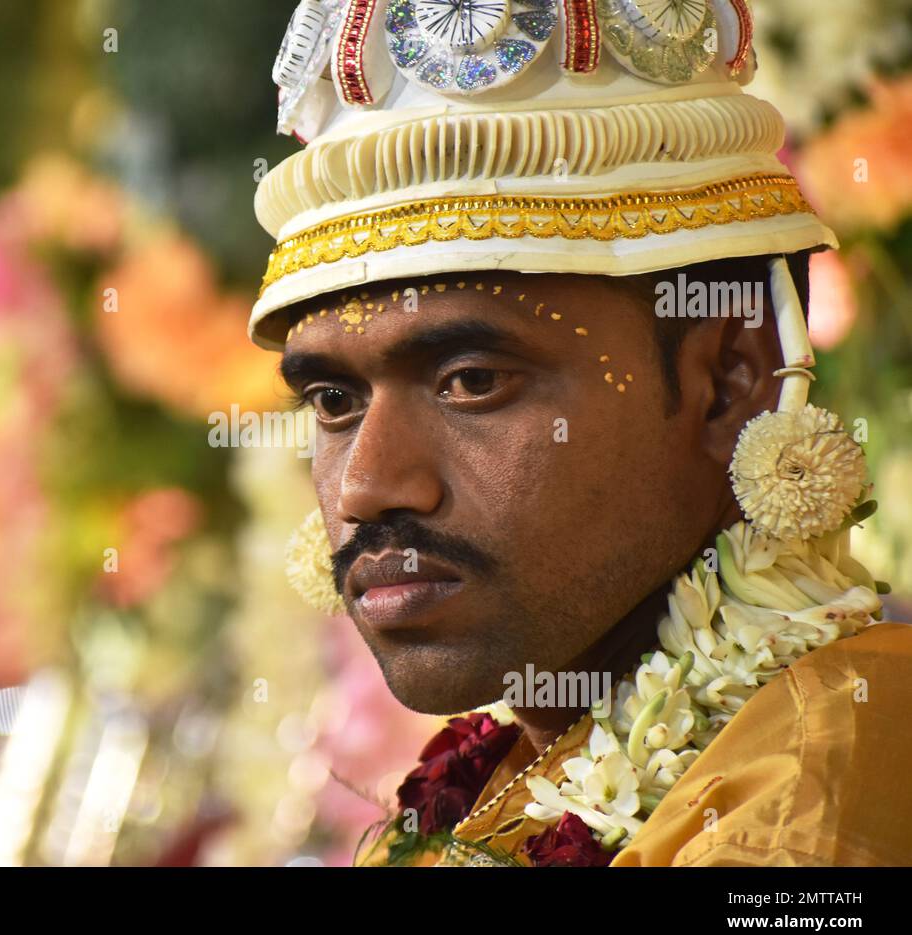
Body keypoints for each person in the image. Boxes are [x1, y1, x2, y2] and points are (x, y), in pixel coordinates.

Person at [257, 0, 911, 865]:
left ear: (728, 383)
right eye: (336, 402)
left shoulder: (825, 780)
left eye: (472, 382)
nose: (366, 486)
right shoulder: (504, 772)